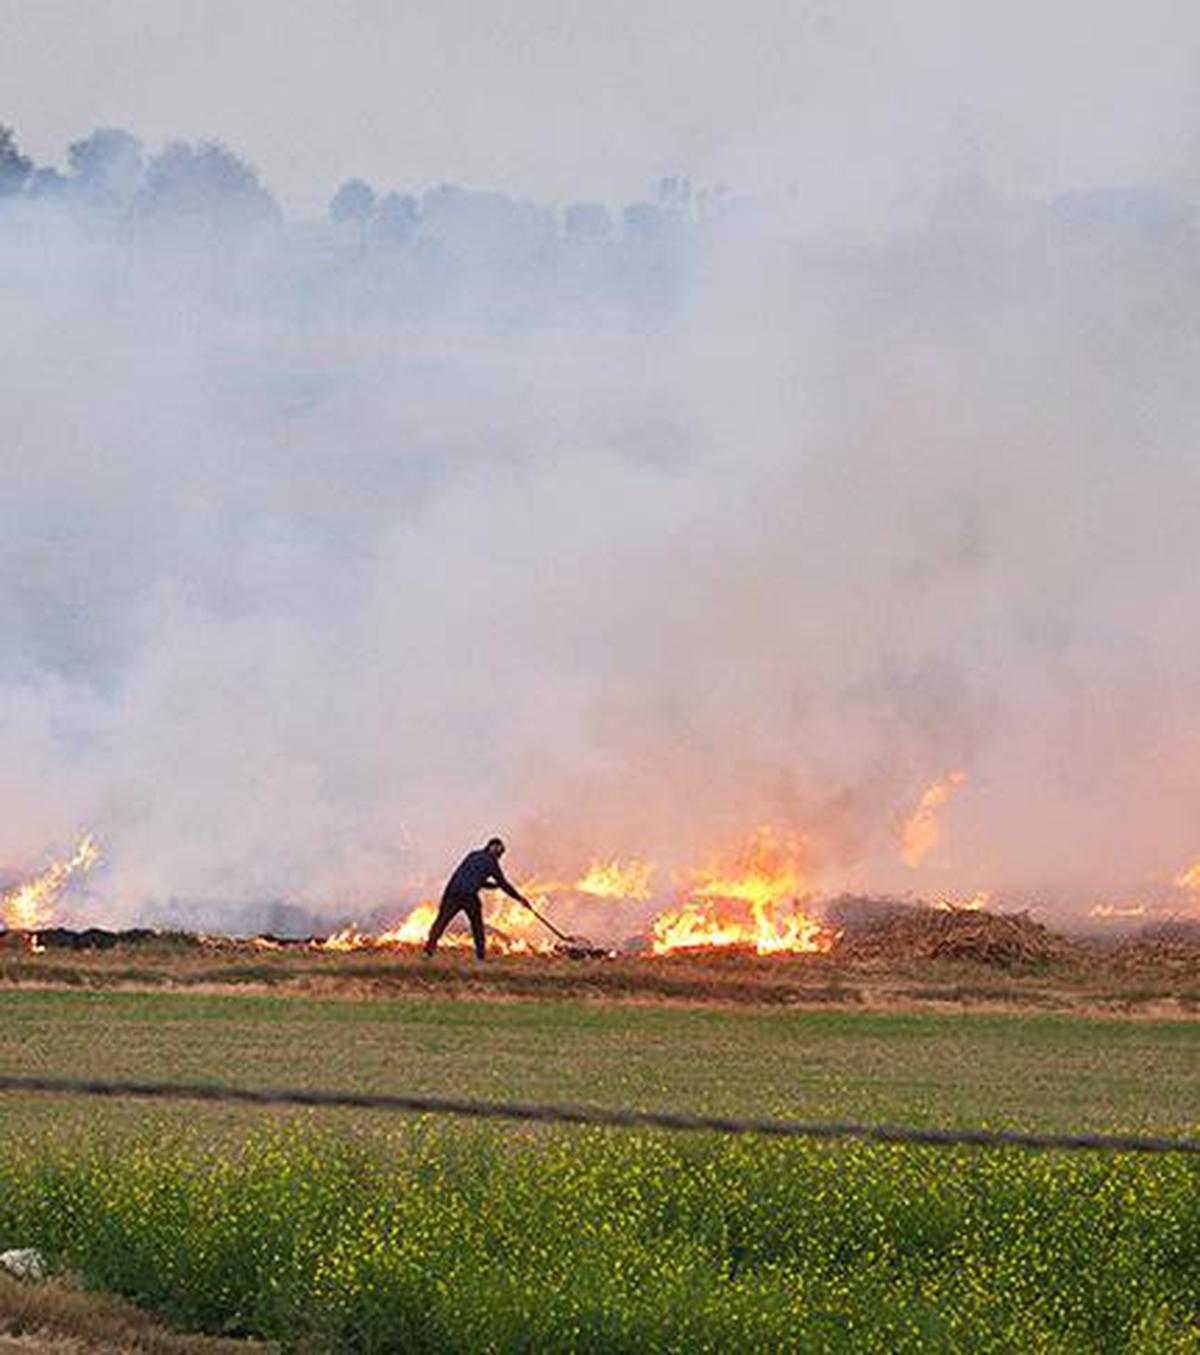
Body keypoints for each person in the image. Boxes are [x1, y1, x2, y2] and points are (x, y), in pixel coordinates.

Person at [424, 836, 532, 960]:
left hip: (452, 893)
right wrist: (520, 899)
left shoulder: (473, 855)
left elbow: (474, 878)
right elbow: (504, 884)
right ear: (493, 847)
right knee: (477, 927)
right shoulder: (492, 862)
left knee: (441, 921)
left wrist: (494, 886)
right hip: (469, 896)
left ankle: (428, 951)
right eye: (500, 852)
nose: (499, 856)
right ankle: (480, 957)